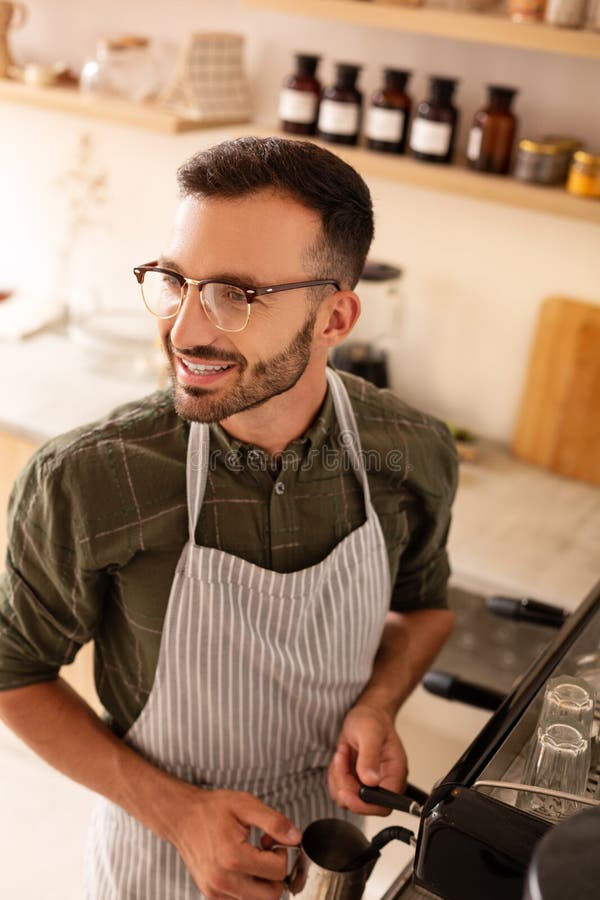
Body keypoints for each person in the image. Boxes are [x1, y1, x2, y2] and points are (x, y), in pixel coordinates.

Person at [0, 136, 457, 900]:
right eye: (176, 280)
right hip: (156, 853)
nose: (184, 330)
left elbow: (425, 609)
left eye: (236, 295)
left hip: (327, 849)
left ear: (335, 317)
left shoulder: (411, 454)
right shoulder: (88, 478)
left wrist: (378, 703)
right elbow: (13, 672)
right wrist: (178, 813)